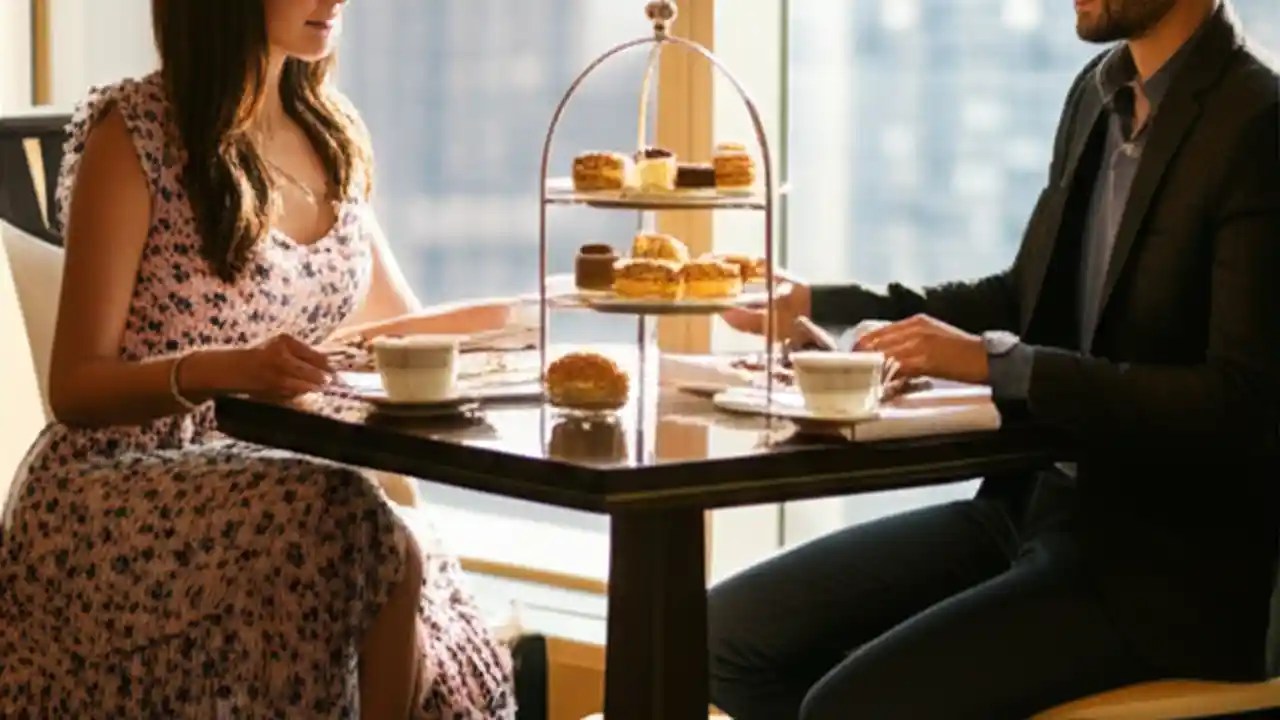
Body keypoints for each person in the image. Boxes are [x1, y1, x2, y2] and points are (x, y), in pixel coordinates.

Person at [712, 0, 1280, 717]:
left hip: (1161, 571)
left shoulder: (1259, 123)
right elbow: (1021, 299)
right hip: (1031, 509)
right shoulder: (1097, 95)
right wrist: (818, 308)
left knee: (844, 707)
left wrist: (1003, 366)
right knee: (725, 637)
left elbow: (1240, 405)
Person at [0, 1, 517, 717]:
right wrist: (224, 368)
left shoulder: (329, 133)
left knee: (390, 545)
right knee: (361, 531)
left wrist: (531, 312)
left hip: (277, 473)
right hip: (111, 488)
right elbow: (76, 388)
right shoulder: (137, 134)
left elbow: (396, 332)